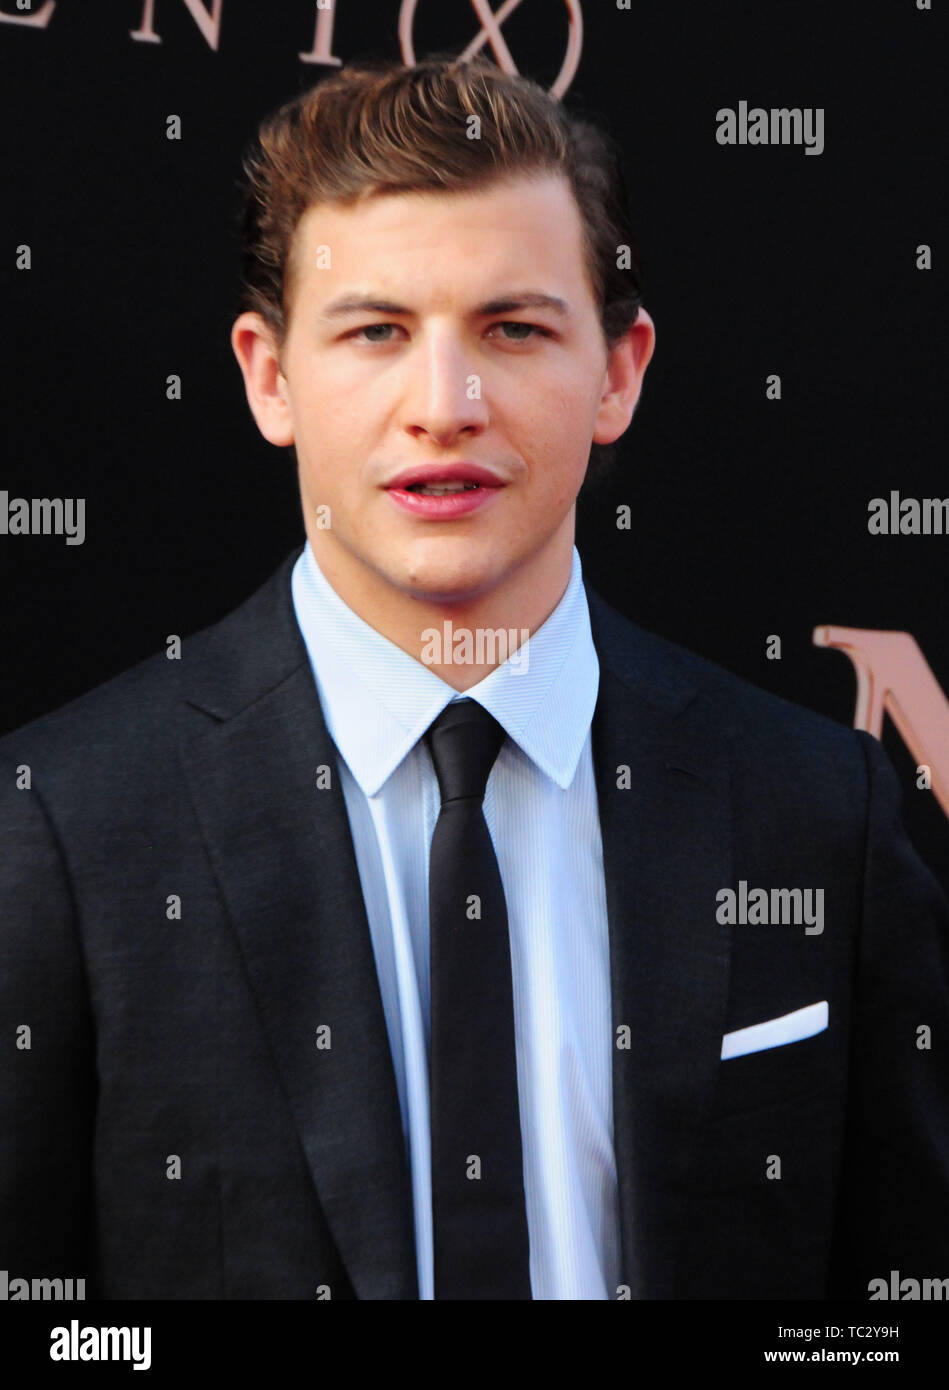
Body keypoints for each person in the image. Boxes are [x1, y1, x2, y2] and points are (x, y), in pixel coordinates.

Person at [1, 55, 947, 1302]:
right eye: (377, 331)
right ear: (268, 375)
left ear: (618, 370)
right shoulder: (68, 827)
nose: (443, 406)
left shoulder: (819, 811)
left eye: (512, 328)